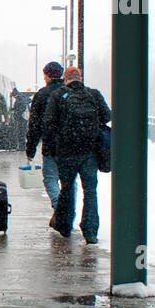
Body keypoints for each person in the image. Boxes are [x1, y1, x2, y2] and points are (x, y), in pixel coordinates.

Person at [43, 66, 112, 243]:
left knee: (67, 187)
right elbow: (107, 116)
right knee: (90, 191)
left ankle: (65, 226)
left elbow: (49, 122)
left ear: (66, 79)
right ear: (80, 78)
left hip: (67, 152)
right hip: (90, 152)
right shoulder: (93, 94)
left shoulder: (59, 95)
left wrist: (61, 136)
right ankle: (90, 231)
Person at [25, 62, 66, 208]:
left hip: (50, 144)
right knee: (69, 181)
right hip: (70, 145)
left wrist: (30, 148)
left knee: (50, 178)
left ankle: (58, 207)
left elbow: (34, 124)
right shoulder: (68, 92)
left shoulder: (42, 94)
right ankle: (68, 211)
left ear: (47, 76)